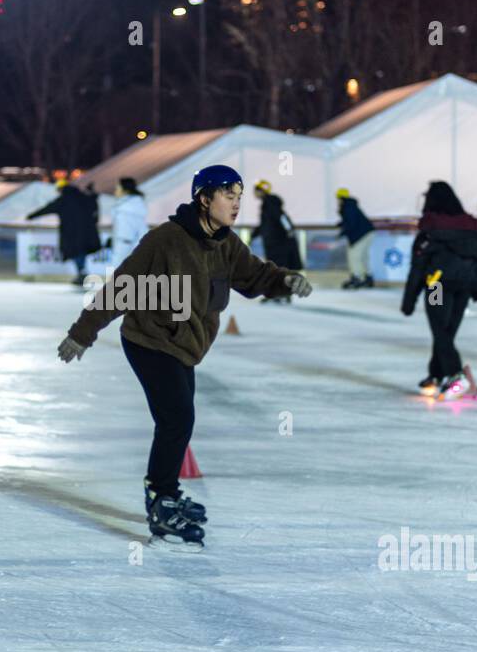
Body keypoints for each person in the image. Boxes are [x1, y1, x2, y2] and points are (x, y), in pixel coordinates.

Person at [55, 164, 311, 550]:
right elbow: (123, 286)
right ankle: (161, 500)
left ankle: (166, 492)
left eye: (240, 197)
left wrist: (285, 279)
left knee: (177, 420)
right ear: (204, 199)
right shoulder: (166, 241)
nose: (237, 204)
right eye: (229, 196)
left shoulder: (226, 243)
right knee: (177, 418)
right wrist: (82, 332)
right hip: (150, 340)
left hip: (185, 346)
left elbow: (255, 275)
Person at [400, 181, 477, 400]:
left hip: (437, 284)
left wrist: (409, 300)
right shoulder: (470, 224)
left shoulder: (431, 225)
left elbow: (418, 265)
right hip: (463, 284)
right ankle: (436, 374)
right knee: (446, 331)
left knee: (440, 330)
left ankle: (454, 374)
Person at [28, 180, 103, 286]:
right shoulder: (83, 197)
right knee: (81, 252)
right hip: (87, 232)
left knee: (76, 252)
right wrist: (92, 193)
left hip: (71, 233)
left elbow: (47, 209)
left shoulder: (62, 200)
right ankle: (81, 273)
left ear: (61, 189)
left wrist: (31, 216)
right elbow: (94, 204)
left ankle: (82, 273)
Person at [253, 180, 303, 302]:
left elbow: (280, 219)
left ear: (261, 191)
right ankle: (282, 294)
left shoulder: (270, 204)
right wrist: (254, 235)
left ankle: (280, 294)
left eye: (256, 190)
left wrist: (289, 233)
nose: (254, 193)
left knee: (277, 268)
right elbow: (265, 224)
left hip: (278, 243)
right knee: (278, 268)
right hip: (277, 242)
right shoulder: (268, 204)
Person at [337, 187, 375, 289]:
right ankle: (367, 277)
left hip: (360, 234)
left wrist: (342, 232)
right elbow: (352, 220)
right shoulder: (351, 205)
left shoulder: (347, 207)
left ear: (340, 198)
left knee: (354, 256)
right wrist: (342, 224)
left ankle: (357, 278)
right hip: (368, 232)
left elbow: (351, 223)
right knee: (363, 257)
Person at [109, 176, 149, 268]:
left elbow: (129, 231)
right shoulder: (129, 205)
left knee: (116, 270)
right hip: (128, 242)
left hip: (126, 243)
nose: (115, 190)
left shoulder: (127, 208)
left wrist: (123, 244)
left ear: (125, 189)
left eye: (117, 188)